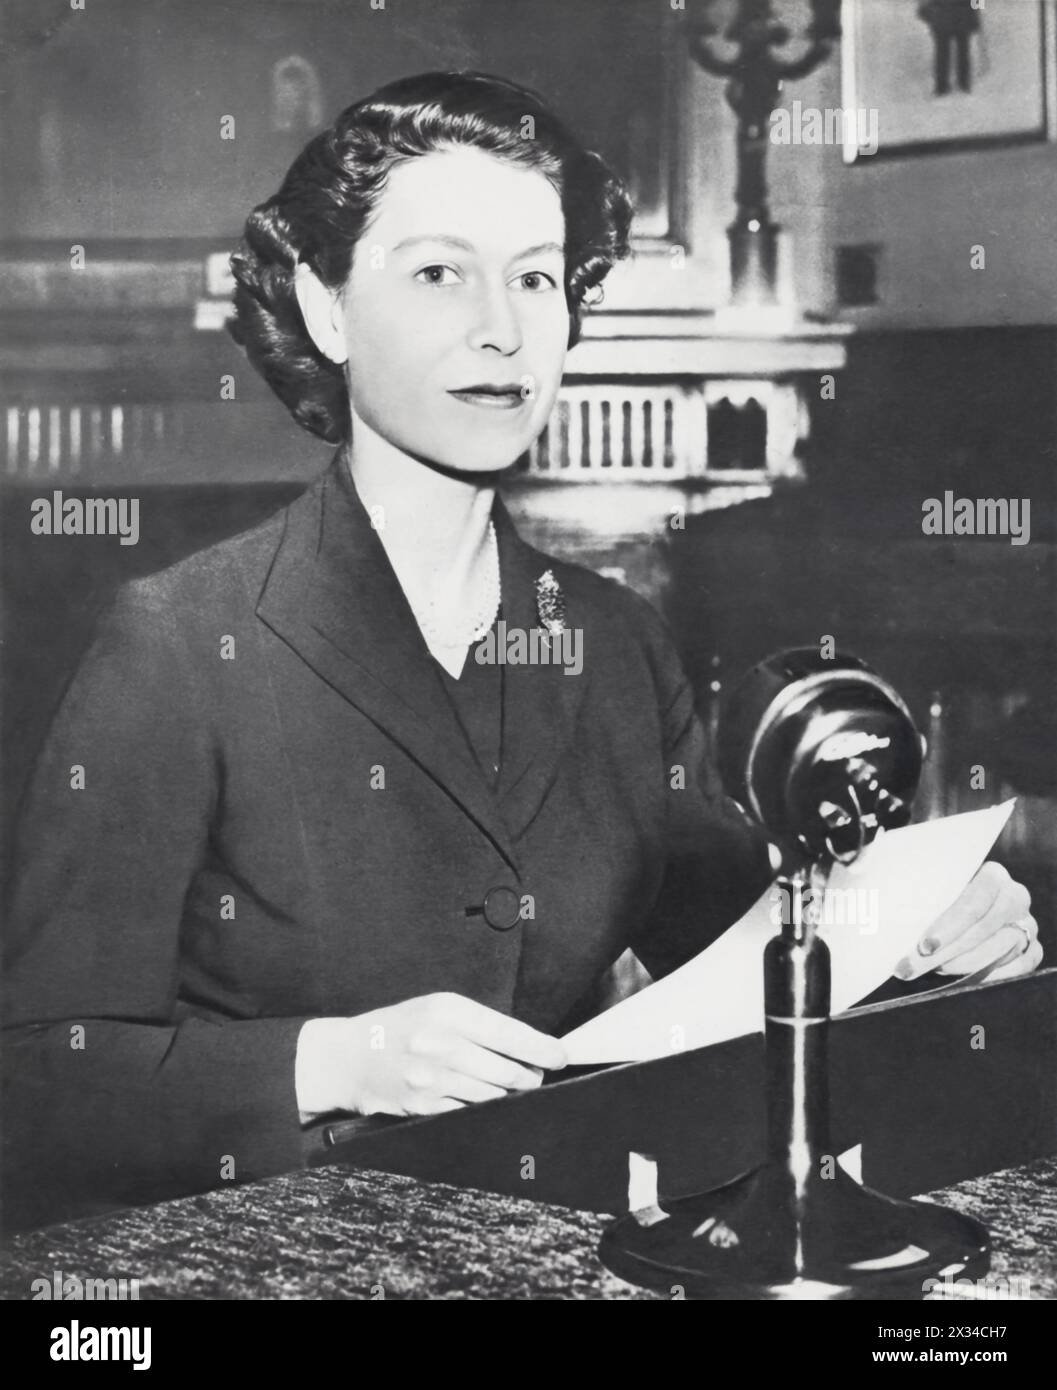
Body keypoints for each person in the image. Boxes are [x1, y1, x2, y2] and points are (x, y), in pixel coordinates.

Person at [2, 71, 1039, 1232]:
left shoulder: (612, 641)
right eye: (440, 271)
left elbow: (740, 959)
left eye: (537, 278)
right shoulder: (181, 641)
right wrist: (333, 1062)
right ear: (327, 305)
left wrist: (912, 935)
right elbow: (40, 1077)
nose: (502, 327)